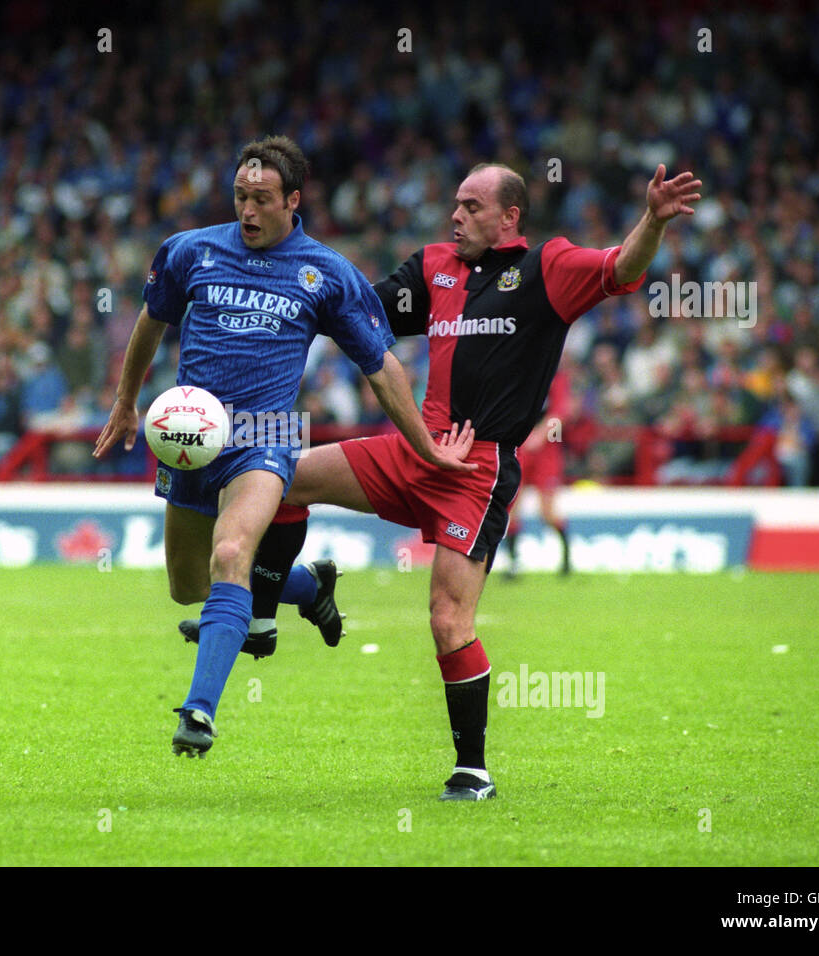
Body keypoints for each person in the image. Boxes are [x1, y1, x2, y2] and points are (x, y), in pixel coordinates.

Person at [184, 162, 701, 798]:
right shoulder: (433, 266)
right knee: (285, 475)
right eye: (455, 204)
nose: (455, 216)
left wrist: (651, 219)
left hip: (476, 470)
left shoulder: (548, 268)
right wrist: (278, 283)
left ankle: (473, 768)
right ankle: (266, 613)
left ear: (509, 217)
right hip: (417, 449)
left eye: (471, 207)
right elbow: (353, 309)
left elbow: (621, 268)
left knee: (448, 619)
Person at [93, 136, 475, 758]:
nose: (248, 210)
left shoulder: (325, 272)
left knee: (233, 551)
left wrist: (427, 448)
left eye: (262, 199)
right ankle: (305, 587)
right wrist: (125, 401)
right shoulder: (191, 251)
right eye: (241, 196)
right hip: (190, 439)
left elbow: (381, 368)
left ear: (292, 201)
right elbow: (151, 319)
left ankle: (199, 712)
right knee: (187, 587)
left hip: (264, 440)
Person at [504, 362, 575, 577]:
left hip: (547, 452)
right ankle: (514, 564)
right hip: (520, 448)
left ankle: (566, 559)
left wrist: (541, 435)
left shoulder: (556, 376)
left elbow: (560, 413)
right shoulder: (520, 372)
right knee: (512, 505)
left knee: (547, 510)